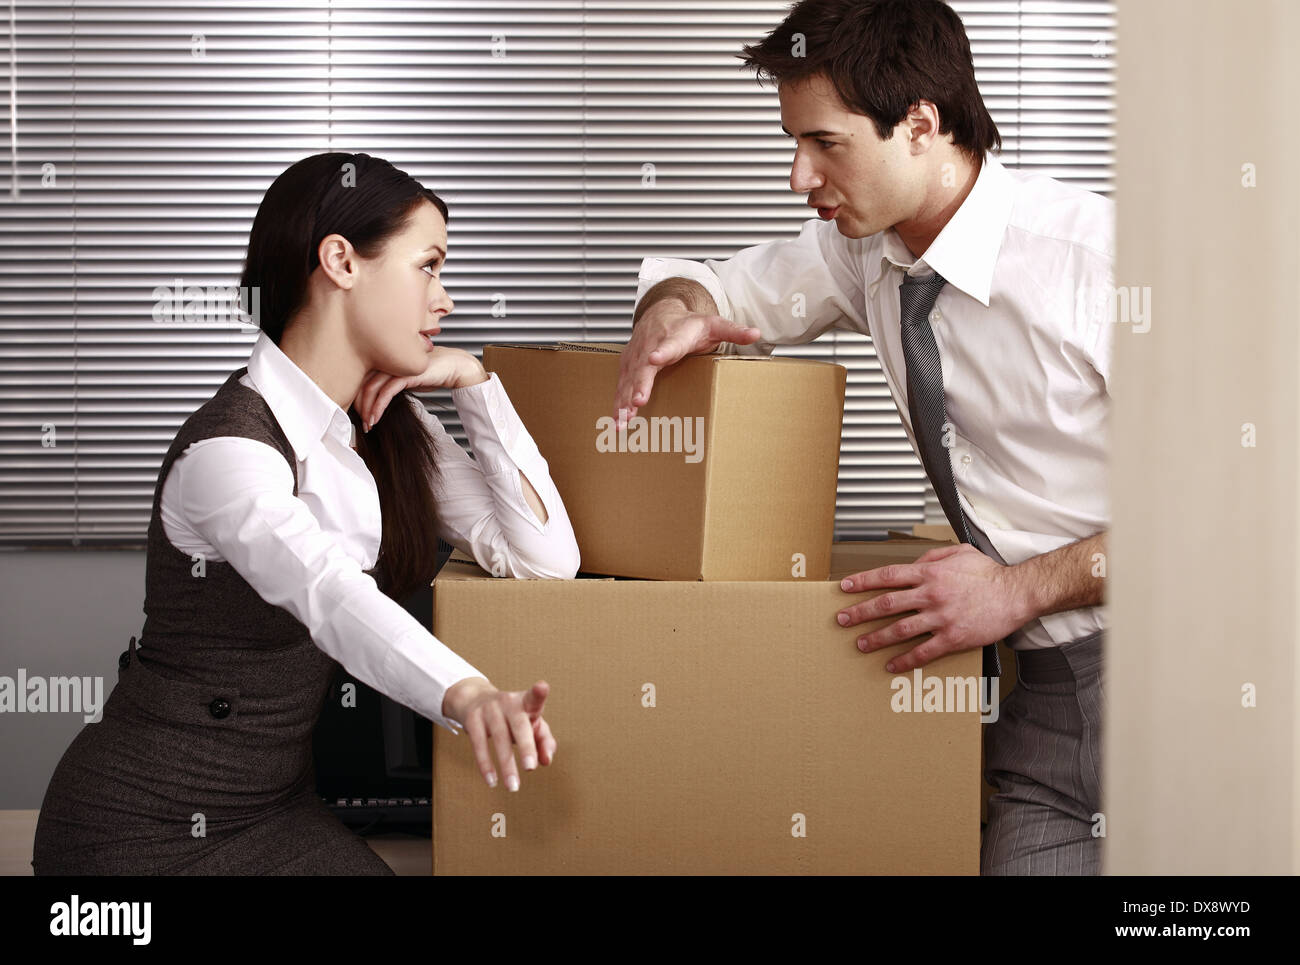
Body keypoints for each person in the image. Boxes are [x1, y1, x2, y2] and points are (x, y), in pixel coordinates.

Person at [615, 0, 1111, 875]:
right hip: (1047, 711)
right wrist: (674, 313)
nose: (798, 177)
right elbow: (717, 285)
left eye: (825, 145)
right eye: (792, 142)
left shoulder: (1097, 266)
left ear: (920, 124)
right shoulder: (864, 252)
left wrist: (1018, 590)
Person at [32, 152, 581, 875]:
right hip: (140, 823)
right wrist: (467, 693)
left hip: (276, 810)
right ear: (341, 261)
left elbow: (546, 559)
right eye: (429, 266)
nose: (444, 299)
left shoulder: (391, 423)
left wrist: (473, 380)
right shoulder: (229, 451)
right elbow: (328, 593)